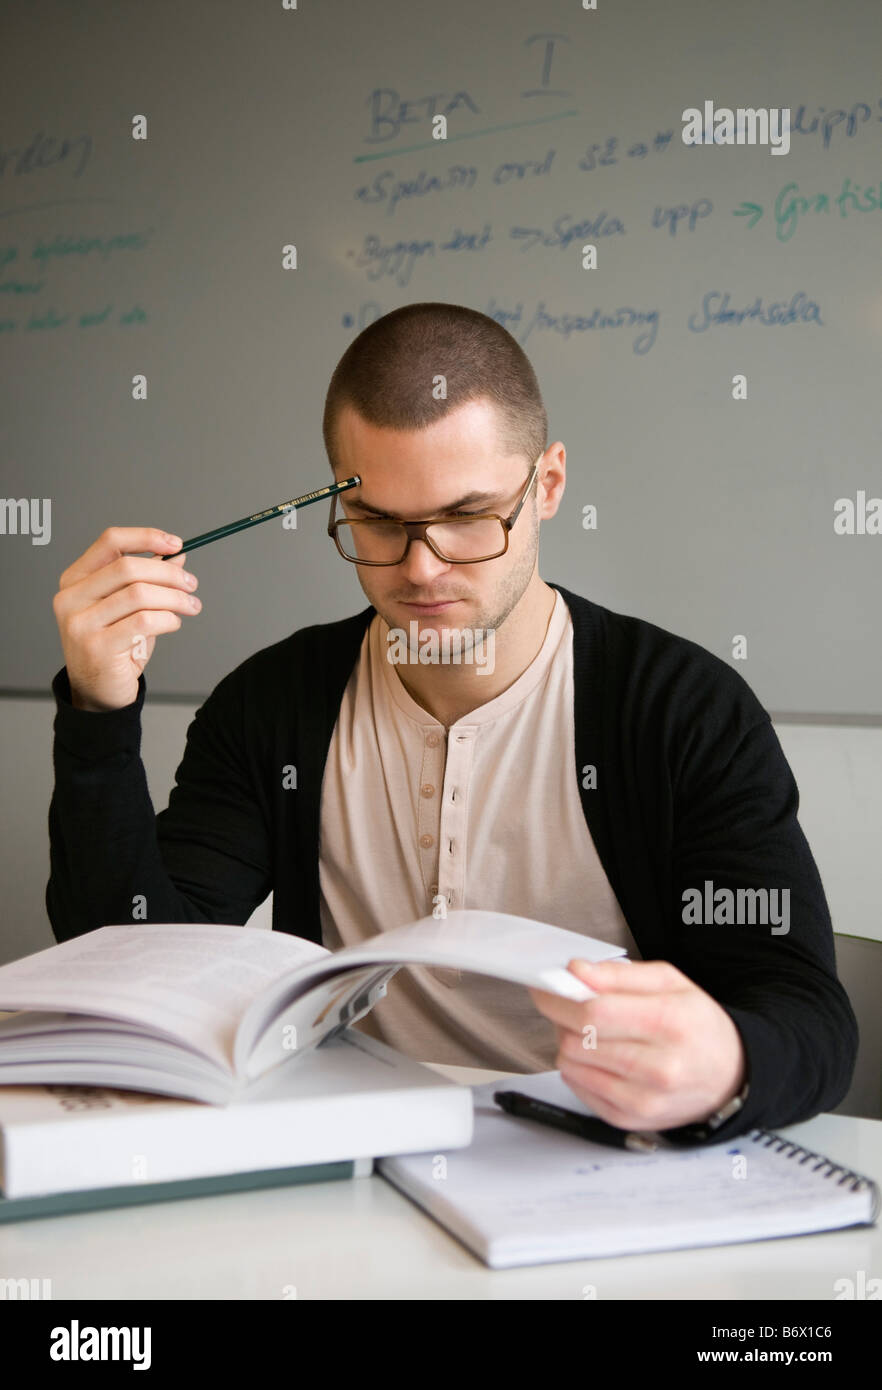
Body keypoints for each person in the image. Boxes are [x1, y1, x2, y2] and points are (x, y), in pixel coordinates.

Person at [47, 301, 857, 1143]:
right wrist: (99, 713)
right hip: (341, 1158)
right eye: (379, 524)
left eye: (468, 517)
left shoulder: (682, 711)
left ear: (547, 485)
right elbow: (136, 966)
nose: (421, 568)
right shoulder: (271, 705)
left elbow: (810, 1019)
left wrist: (725, 1058)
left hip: (593, 1166)